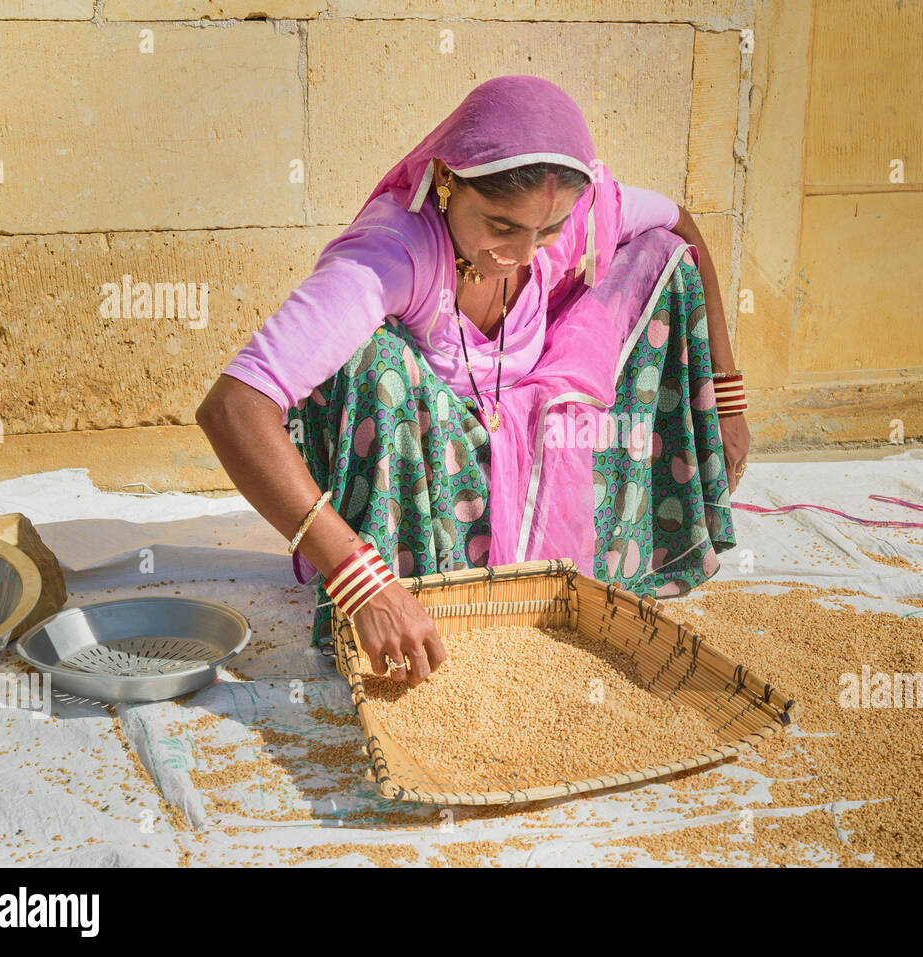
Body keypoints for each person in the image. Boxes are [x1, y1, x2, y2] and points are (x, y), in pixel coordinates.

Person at [197, 75, 751, 687]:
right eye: (500, 225)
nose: (520, 253)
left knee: (661, 257)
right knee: (373, 361)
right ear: (445, 182)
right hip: (436, 477)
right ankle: (406, 596)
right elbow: (232, 409)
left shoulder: (572, 219)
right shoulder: (394, 252)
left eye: (546, 231)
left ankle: (623, 550)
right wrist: (358, 576)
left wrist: (726, 398)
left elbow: (683, 224)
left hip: (537, 438)